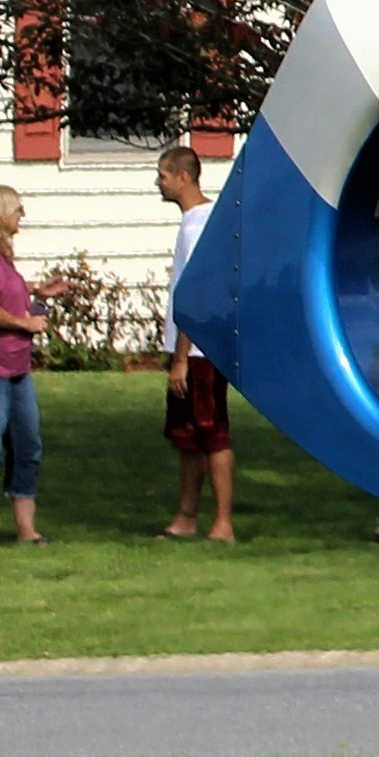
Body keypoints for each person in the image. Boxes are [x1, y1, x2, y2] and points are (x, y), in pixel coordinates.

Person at [156, 144, 235, 543]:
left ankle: (222, 522)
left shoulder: (199, 225)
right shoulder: (196, 221)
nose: (159, 182)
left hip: (200, 352)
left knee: (211, 432)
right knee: (186, 437)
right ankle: (186, 516)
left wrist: (182, 358)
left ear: (183, 177)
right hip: (188, 348)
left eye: (163, 175)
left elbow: (198, 295)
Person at [0, 183, 43, 545]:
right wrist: (27, 323)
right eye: (17, 208)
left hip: (18, 370)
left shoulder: (1, 255)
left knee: (28, 446)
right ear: (0, 213)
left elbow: (4, 294)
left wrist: (38, 291)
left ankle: (26, 529)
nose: (22, 215)